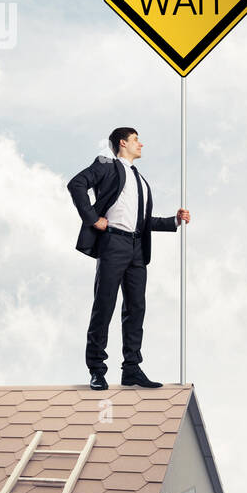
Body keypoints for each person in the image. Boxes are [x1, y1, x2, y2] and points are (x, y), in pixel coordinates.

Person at [66, 127, 190, 390]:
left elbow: (143, 221)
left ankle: (131, 369)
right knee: (105, 304)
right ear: (122, 143)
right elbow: (76, 184)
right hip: (113, 242)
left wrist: (174, 221)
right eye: (136, 140)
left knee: (136, 308)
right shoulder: (106, 166)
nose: (141, 144)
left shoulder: (141, 180)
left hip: (137, 247)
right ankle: (97, 370)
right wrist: (92, 218)